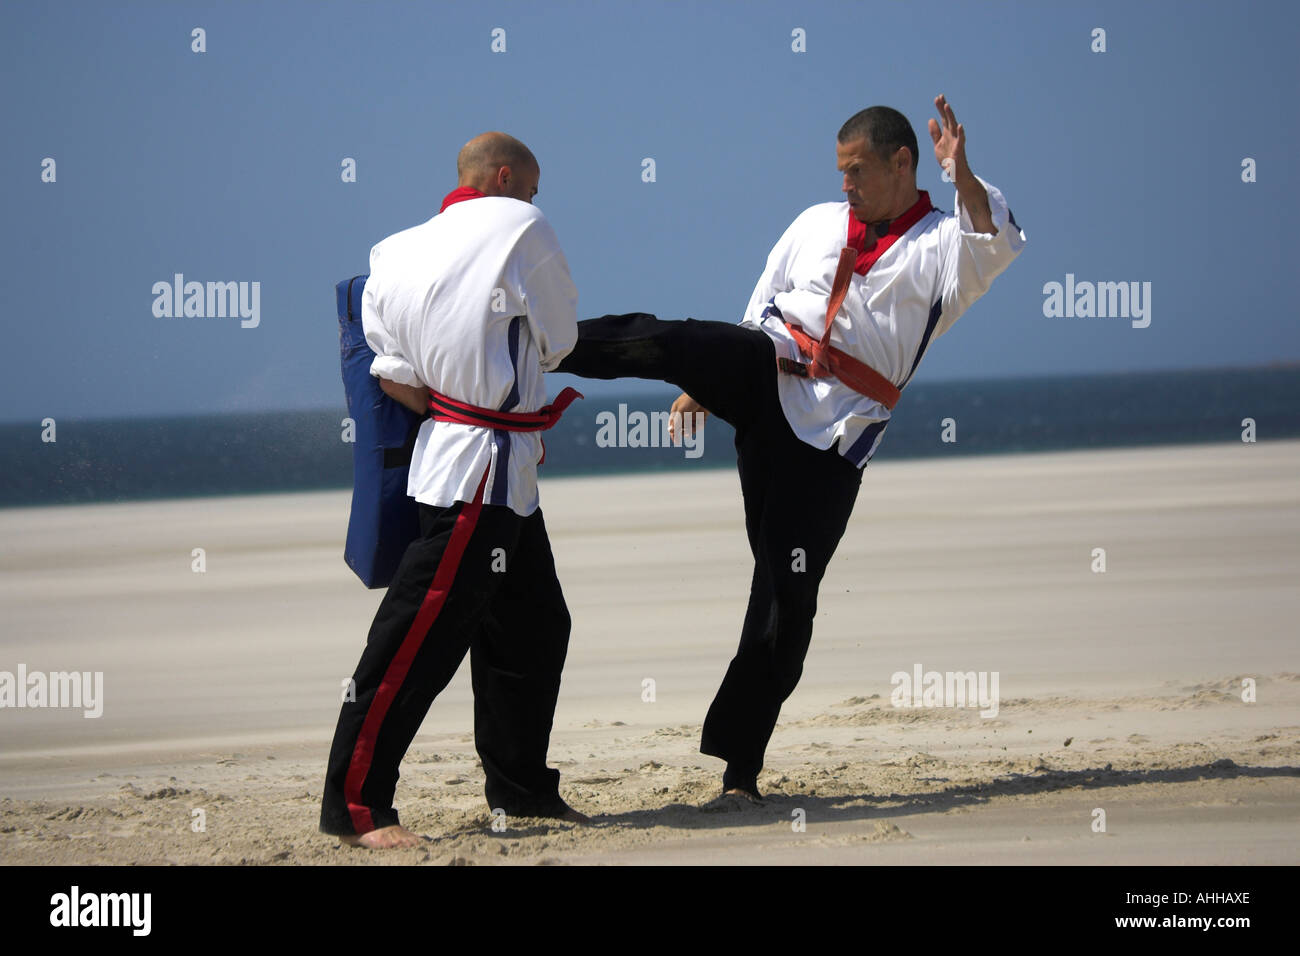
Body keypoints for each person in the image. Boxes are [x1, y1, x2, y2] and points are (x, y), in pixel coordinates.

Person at [555, 95, 1027, 802]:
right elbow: (762, 302)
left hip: (832, 435)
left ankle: (740, 773)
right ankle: (542, 343)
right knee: (684, 341)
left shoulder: (943, 245)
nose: (846, 185)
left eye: (858, 170)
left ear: (904, 163)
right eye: (840, 171)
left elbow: (995, 237)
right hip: (767, 374)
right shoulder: (814, 222)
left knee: (784, 593)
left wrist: (962, 176)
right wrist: (709, 386)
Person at [320, 132, 587, 848]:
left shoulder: (393, 252)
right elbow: (558, 339)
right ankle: (355, 804)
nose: (536, 202)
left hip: (469, 461)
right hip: (481, 475)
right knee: (415, 639)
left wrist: (460, 397)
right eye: (532, 188)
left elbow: (395, 377)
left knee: (533, 625)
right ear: (506, 179)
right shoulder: (521, 225)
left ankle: (522, 790)